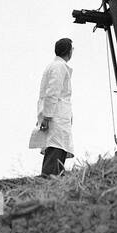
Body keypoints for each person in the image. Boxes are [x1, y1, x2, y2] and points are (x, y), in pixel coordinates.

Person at [29, 37, 75, 176]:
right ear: (69, 51)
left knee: (58, 150)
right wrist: (47, 117)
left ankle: (54, 182)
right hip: (56, 116)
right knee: (56, 149)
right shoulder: (59, 67)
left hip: (56, 115)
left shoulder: (54, 66)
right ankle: (49, 182)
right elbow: (52, 93)